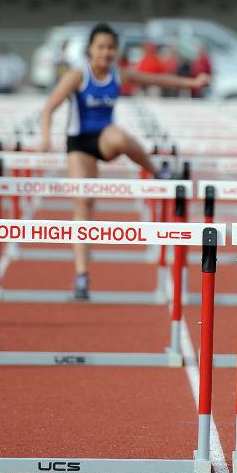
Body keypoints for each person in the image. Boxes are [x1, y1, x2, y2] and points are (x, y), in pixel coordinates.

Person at [38, 23, 209, 299]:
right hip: (79, 145)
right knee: (84, 205)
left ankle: (158, 172)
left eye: (110, 48)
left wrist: (191, 83)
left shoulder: (118, 74)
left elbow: (155, 80)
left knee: (119, 136)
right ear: (90, 50)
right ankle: (82, 276)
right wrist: (46, 138)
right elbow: (48, 108)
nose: (106, 53)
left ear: (116, 51)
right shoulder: (77, 75)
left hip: (106, 139)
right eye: (101, 47)